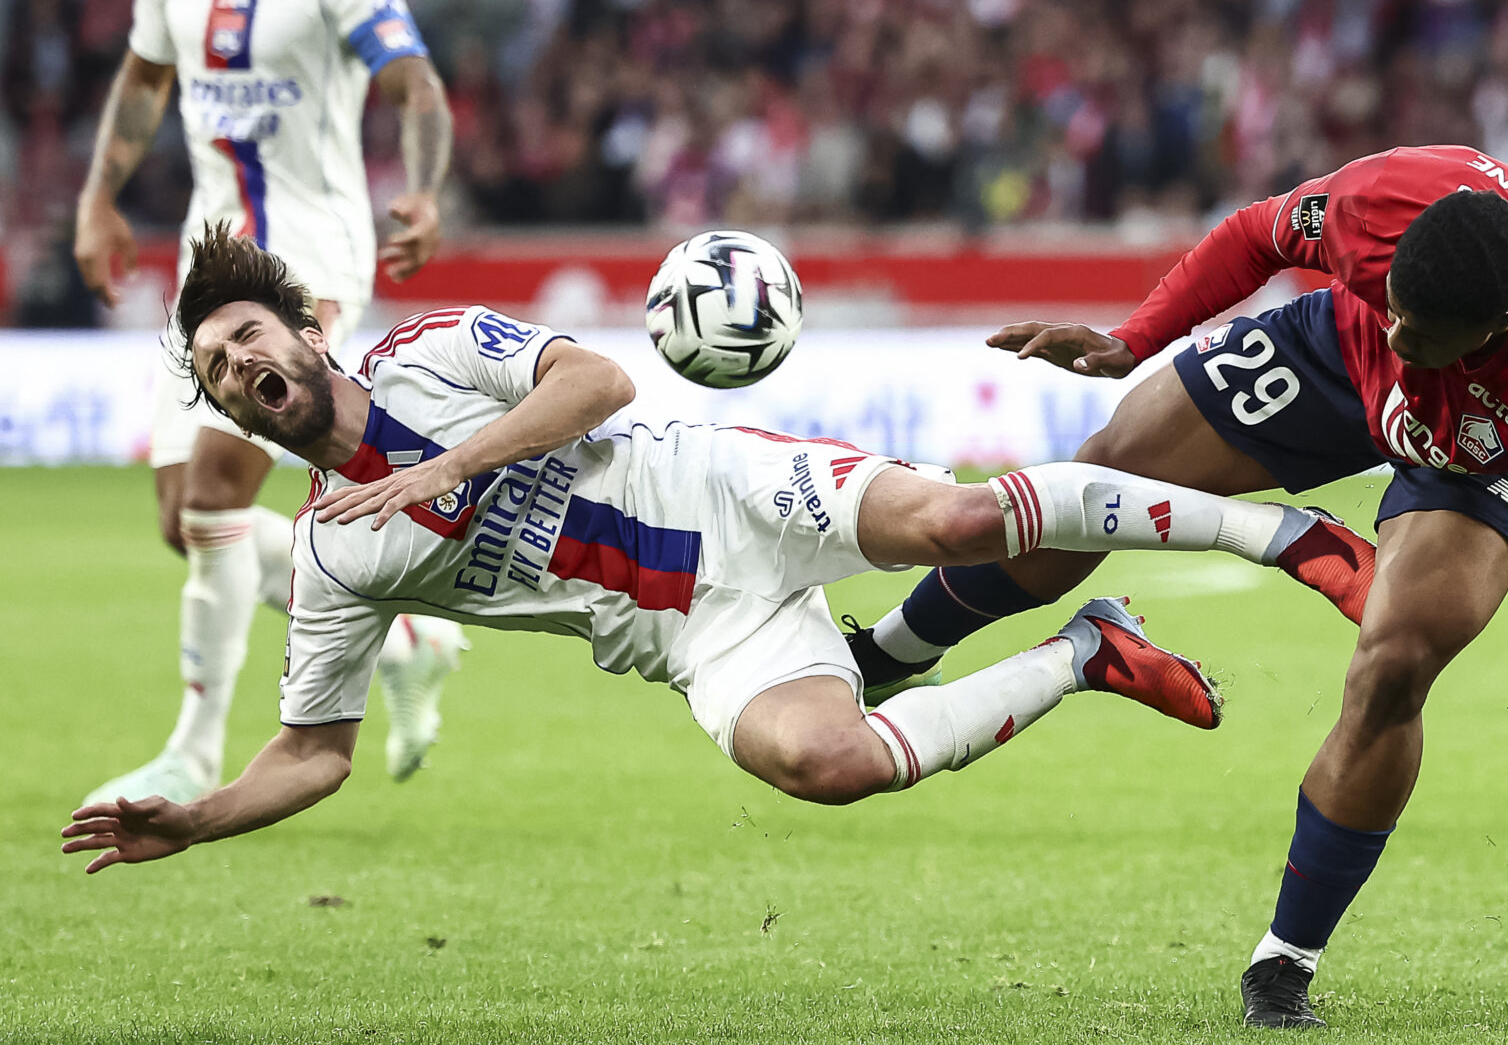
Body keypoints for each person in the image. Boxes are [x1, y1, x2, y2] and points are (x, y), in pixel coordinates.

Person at [61, 227, 1375, 872]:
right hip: (694, 633)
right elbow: (314, 751)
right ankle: (1089, 654)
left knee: (963, 522)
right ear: (232, 409)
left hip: (727, 490)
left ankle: (1285, 531)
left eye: (249, 336)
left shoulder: (429, 352)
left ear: (304, 333)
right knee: (826, 764)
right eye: (218, 369)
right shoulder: (334, 557)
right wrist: (200, 818)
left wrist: (448, 467)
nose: (240, 364)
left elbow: (598, 384)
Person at [843, 145, 1508, 1028]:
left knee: (1396, 661)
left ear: (1501, 324)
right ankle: (895, 651)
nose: (1403, 340)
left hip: (1479, 458)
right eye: (1397, 307)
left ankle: (1284, 964)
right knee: (1102, 482)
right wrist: (1134, 339)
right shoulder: (1375, 213)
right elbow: (1255, 235)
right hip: (1334, 349)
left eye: (1423, 335)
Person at [71, 0, 464, 804]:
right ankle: (411, 639)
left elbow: (415, 84)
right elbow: (145, 79)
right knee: (186, 519)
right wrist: (99, 198)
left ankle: (193, 754)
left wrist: (425, 189)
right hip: (209, 269)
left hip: (308, 262)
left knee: (215, 496)